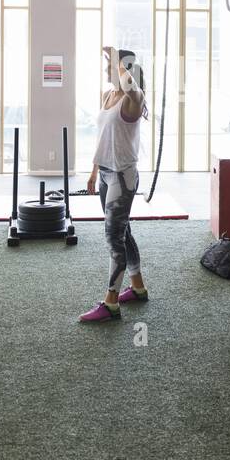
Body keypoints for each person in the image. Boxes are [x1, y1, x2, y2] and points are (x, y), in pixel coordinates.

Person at [80, 46, 149, 322]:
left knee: (113, 238)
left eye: (113, 67)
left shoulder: (135, 99)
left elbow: (130, 87)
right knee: (124, 232)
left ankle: (111, 303)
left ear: (126, 71)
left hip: (123, 176)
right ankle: (138, 287)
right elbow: (102, 135)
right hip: (106, 174)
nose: (107, 69)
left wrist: (120, 59)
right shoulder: (108, 95)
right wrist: (93, 171)